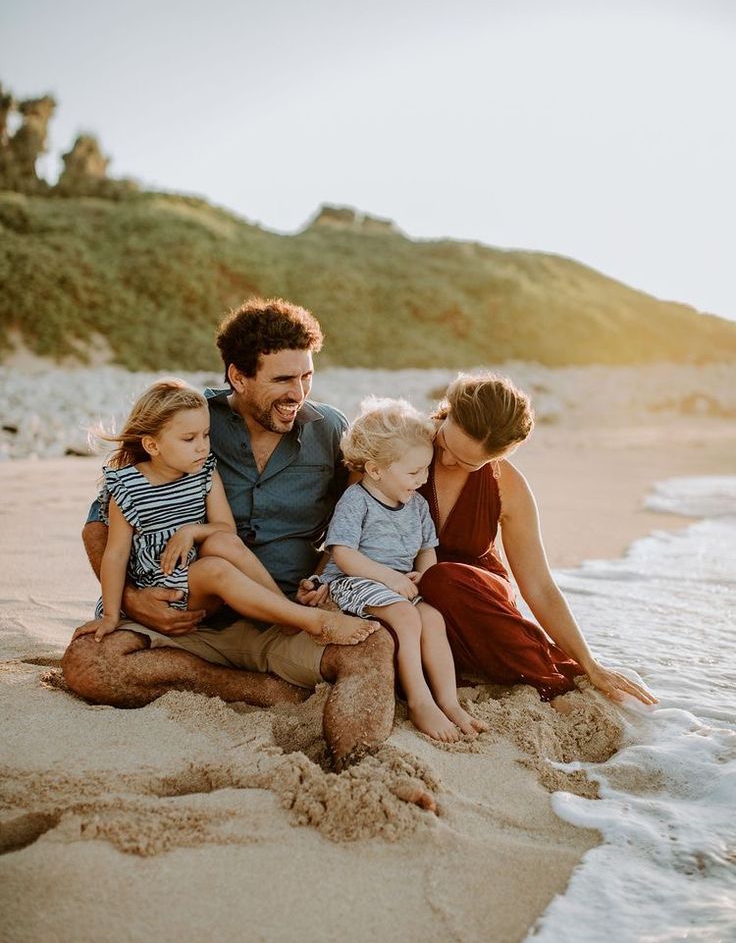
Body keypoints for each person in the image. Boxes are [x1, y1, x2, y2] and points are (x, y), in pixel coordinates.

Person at [61, 299, 397, 773]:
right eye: (282, 379)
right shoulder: (190, 420)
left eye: (306, 377)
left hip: (286, 616)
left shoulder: (332, 431)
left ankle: (362, 772)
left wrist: (324, 580)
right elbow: (100, 525)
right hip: (189, 617)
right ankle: (256, 689)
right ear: (238, 377)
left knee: (373, 646)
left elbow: (361, 518)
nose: (297, 392)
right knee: (88, 664)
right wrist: (132, 601)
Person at [412, 372, 658, 706]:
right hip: (409, 596)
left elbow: (539, 586)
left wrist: (590, 662)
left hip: (473, 596)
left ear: (499, 457)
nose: (446, 460)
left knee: (441, 577)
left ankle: (556, 679)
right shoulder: (398, 445)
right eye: (444, 444)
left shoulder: (506, 485)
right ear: (447, 412)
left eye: (468, 463)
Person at [73, 378, 376, 648]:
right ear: (152, 444)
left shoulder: (204, 472)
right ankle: (307, 620)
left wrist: (191, 531)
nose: (203, 447)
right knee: (215, 569)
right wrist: (113, 613)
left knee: (222, 545)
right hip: (160, 589)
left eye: (206, 435)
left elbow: (225, 529)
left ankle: (285, 613)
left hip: (195, 578)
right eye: (189, 439)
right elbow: (115, 554)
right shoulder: (127, 486)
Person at [319, 397, 489, 742]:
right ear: (376, 469)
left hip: (395, 585)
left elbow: (427, 549)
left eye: (425, 469)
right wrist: (390, 578)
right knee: (407, 616)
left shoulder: (417, 505)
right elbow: (343, 554)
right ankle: (419, 700)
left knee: (432, 618)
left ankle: (448, 700)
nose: (422, 479)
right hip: (354, 580)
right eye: (413, 472)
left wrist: (424, 576)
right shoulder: (357, 501)